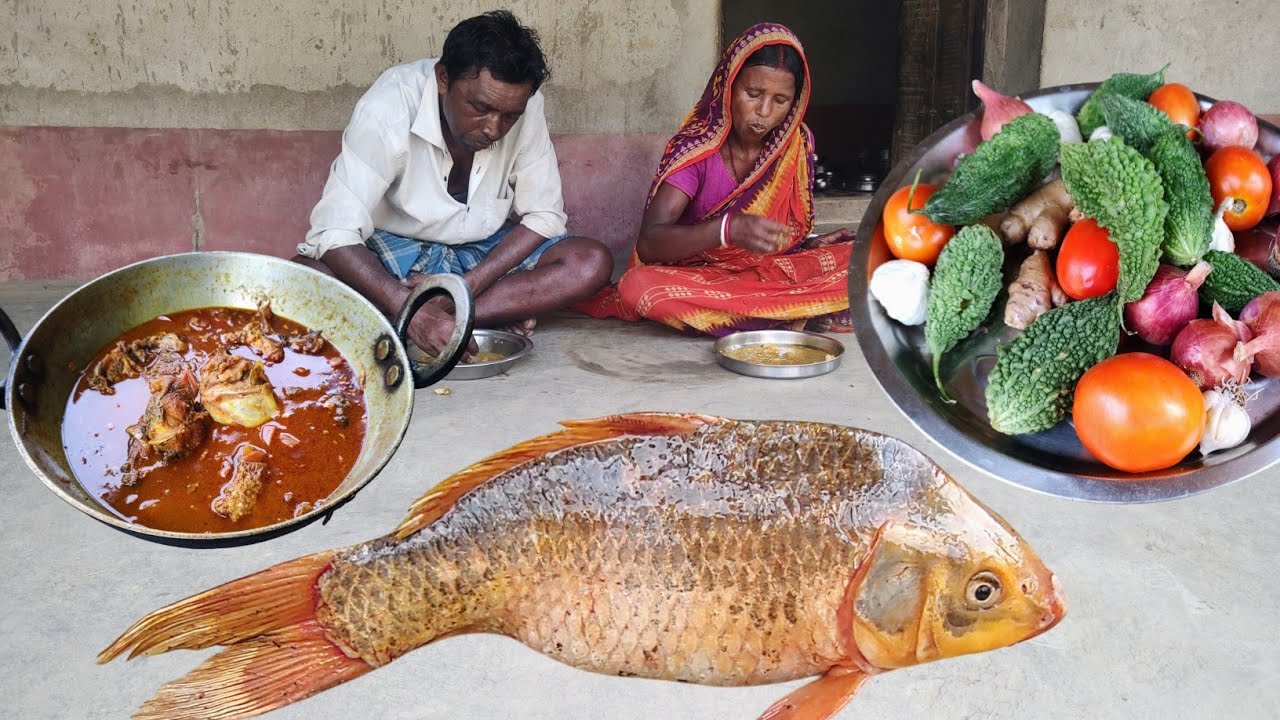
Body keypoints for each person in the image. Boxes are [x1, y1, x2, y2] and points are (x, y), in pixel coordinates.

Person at [295, 10, 612, 355]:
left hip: (483, 253)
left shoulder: (525, 104)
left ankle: (432, 317)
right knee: (305, 278)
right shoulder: (389, 106)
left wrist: (469, 286)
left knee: (588, 262)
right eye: (480, 107)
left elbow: (544, 216)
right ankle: (436, 315)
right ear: (443, 78)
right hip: (398, 252)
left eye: (509, 116)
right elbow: (333, 232)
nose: (493, 128)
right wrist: (408, 304)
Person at [574, 23, 855, 337]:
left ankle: (775, 311)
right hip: (703, 278)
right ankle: (793, 312)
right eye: (753, 94)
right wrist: (727, 230)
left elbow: (781, 239)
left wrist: (806, 247)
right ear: (729, 86)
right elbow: (651, 244)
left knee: (866, 255)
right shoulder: (696, 150)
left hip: (768, 274)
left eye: (780, 100)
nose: (763, 111)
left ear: (796, 102)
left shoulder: (797, 145)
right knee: (639, 288)